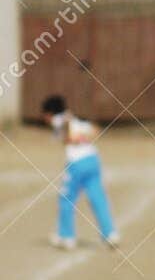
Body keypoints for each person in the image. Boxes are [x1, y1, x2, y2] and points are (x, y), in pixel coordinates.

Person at [41, 95, 119, 250]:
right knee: (97, 197)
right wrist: (82, 136)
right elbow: (95, 130)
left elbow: (66, 131)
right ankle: (110, 234)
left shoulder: (61, 120)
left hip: (77, 163)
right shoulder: (76, 118)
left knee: (66, 198)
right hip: (93, 160)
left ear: (49, 113)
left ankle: (66, 236)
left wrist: (72, 137)